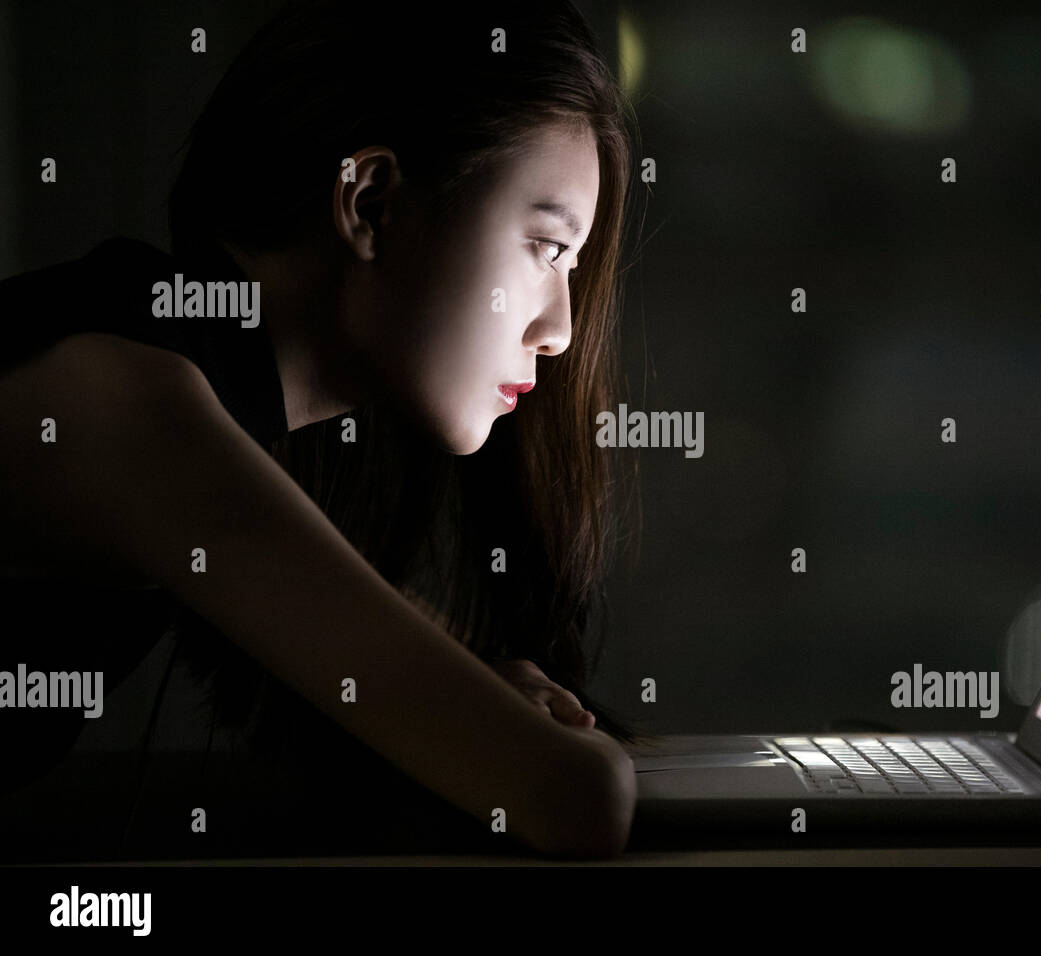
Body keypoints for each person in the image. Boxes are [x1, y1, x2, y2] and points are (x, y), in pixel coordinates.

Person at [0, 0, 647, 859]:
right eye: (545, 247)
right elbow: (573, 798)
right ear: (372, 203)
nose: (560, 328)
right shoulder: (129, 405)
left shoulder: (173, 375)